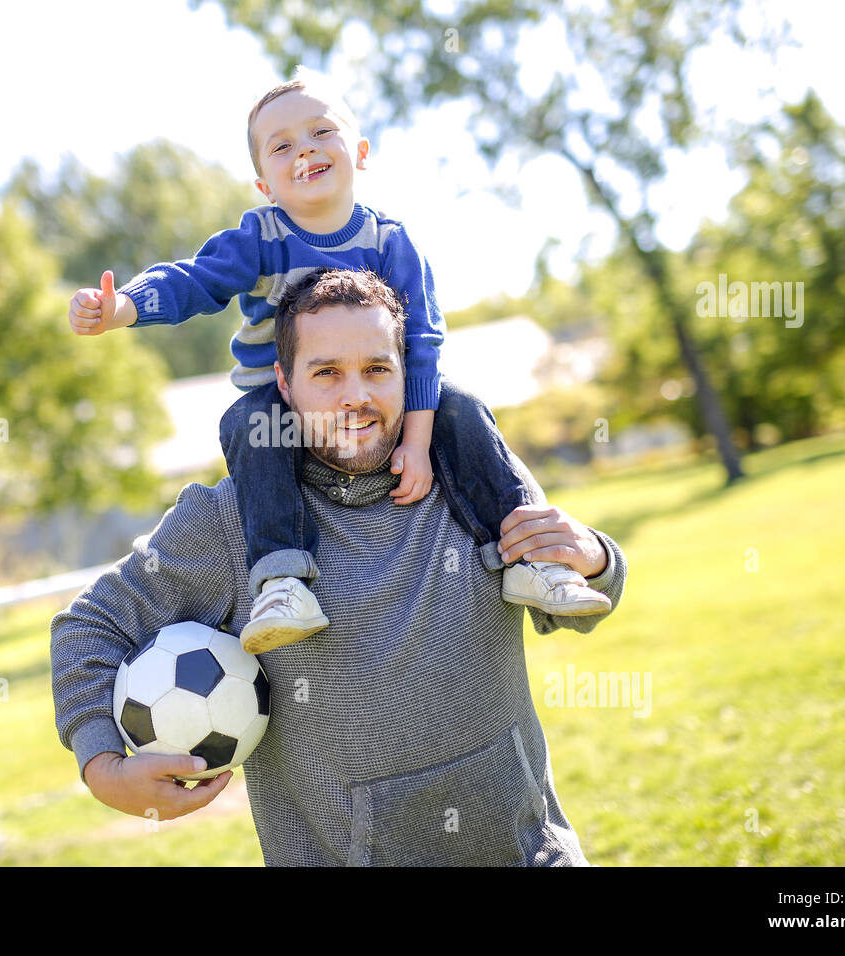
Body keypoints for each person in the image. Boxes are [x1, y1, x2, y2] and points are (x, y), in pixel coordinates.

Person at [51, 268, 628, 866]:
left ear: (409, 373)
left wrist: (595, 557)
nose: (356, 395)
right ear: (283, 384)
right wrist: (102, 768)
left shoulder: (469, 471)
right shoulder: (230, 519)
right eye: (326, 373)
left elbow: (577, 607)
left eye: (377, 369)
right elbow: (88, 627)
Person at [66, 70, 609, 656]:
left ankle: (532, 558)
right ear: (263, 182)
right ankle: (282, 581)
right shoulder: (260, 238)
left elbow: (422, 344)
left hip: (386, 399)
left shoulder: (390, 243)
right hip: (282, 402)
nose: (304, 149)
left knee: (464, 406)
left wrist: (419, 442)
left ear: (361, 152)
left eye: (320, 131)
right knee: (250, 424)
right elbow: (194, 281)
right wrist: (124, 307)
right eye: (281, 146)